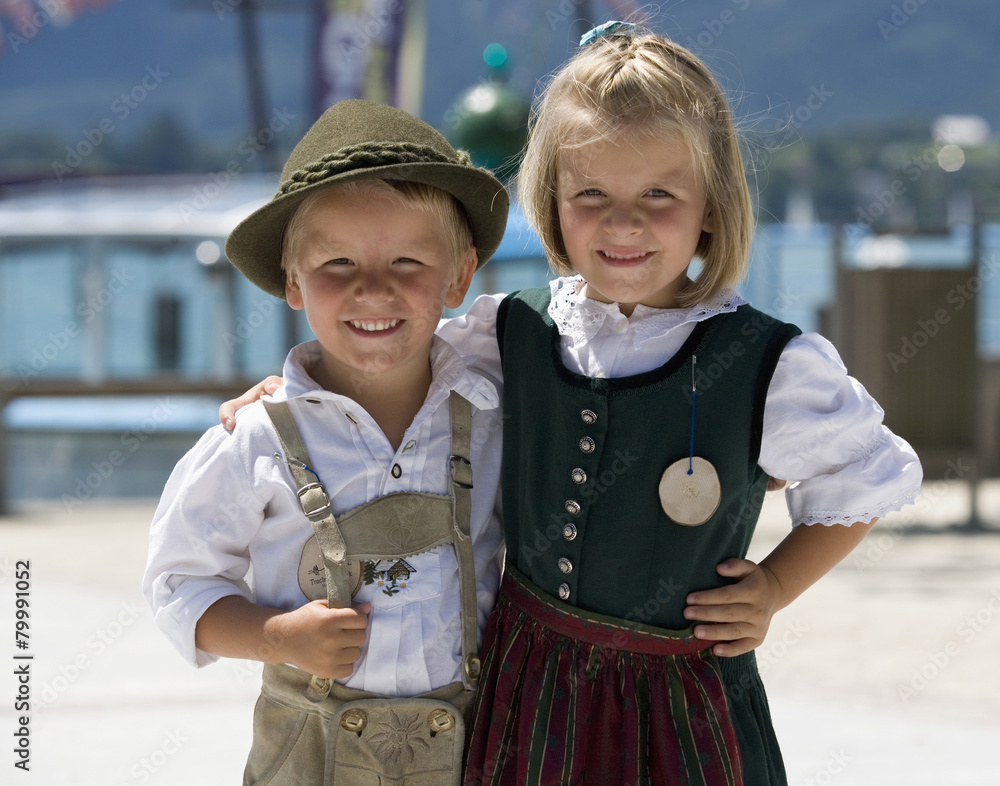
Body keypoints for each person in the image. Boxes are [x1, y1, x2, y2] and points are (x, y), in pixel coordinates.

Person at [220, 25, 923, 786]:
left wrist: (777, 586)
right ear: (553, 202)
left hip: (682, 694)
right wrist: (301, 386)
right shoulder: (508, 330)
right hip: (531, 683)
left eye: (659, 194)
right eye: (592, 194)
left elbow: (864, 479)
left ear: (711, 206)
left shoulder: (765, 362)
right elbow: (391, 353)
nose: (624, 223)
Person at [142, 98, 510, 786]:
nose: (374, 289)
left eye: (408, 262)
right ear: (292, 281)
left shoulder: (493, 411)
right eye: (337, 263)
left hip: (476, 748)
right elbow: (178, 582)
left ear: (459, 276)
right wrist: (272, 637)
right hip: (304, 755)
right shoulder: (256, 438)